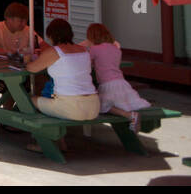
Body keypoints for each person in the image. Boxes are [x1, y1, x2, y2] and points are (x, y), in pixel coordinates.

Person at [26, 19, 99, 149]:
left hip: (70, 107)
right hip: (93, 106)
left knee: (30, 100)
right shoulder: (84, 50)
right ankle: (60, 142)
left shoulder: (54, 51)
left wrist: (26, 59)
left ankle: (44, 143)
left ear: (52, 35)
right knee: (50, 99)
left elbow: (31, 68)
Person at [84, 23, 151, 131]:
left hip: (107, 83)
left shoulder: (94, 49)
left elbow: (86, 63)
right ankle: (130, 116)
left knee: (101, 105)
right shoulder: (116, 49)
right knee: (118, 103)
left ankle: (129, 115)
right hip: (121, 82)